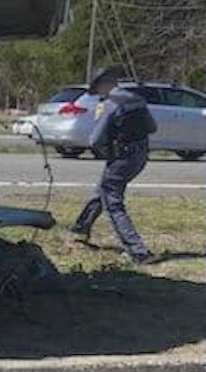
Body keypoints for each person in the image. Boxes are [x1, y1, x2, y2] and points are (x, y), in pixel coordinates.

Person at [69, 70, 163, 264]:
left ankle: (138, 251)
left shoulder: (111, 105)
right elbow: (153, 128)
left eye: (98, 88)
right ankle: (80, 228)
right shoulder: (137, 100)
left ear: (105, 84)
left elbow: (95, 140)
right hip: (140, 155)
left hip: (120, 157)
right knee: (102, 190)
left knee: (113, 203)